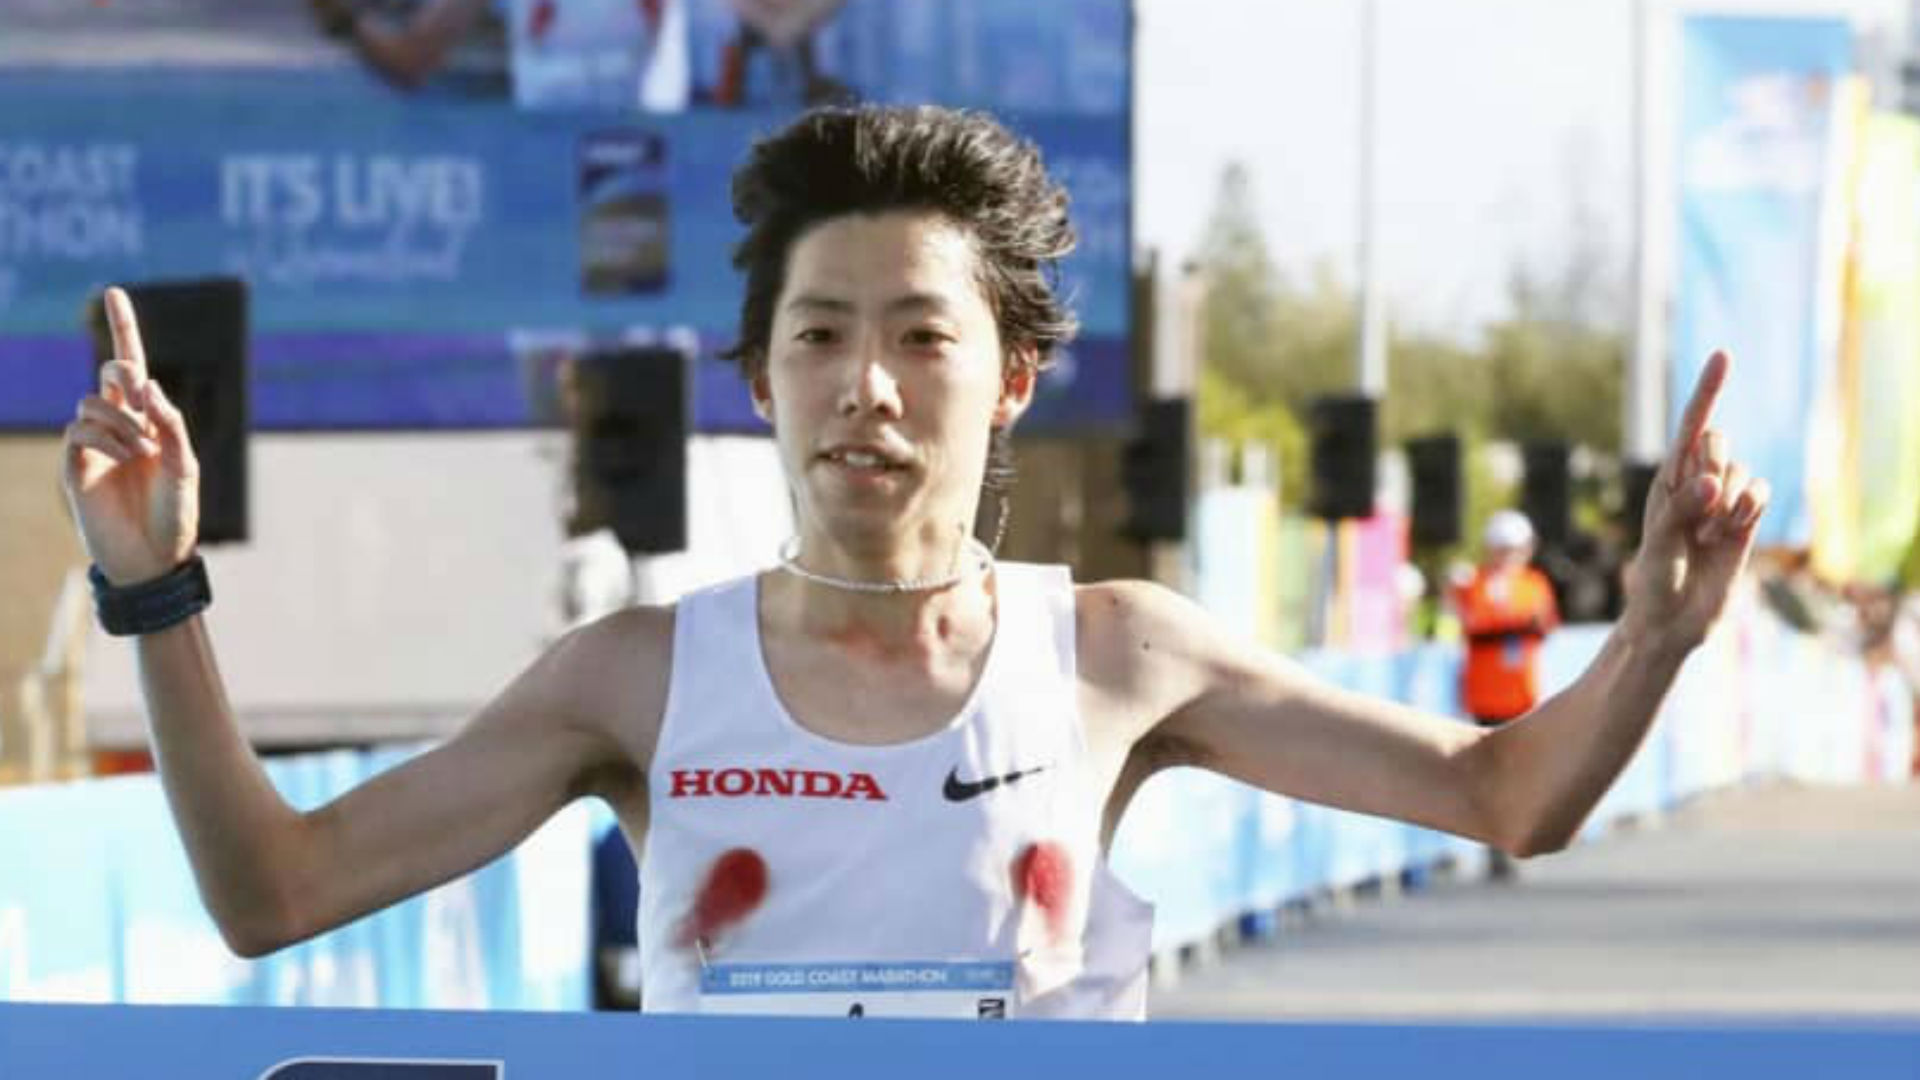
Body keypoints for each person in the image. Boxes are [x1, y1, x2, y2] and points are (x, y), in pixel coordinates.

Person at [61, 104, 1769, 1020]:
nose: (866, 387)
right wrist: (155, 589)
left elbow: (1501, 798)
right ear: (760, 378)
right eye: (819, 336)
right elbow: (271, 895)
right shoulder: (636, 676)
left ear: (1011, 375)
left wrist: (1661, 636)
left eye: (920, 337)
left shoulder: (1116, 654)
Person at [1449, 510, 1560, 880]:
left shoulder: (1534, 582)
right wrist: (1513, 625)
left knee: (1523, 772)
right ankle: (1496, 846)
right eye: (1502, 549)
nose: (1509, 557)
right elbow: (1473, 625)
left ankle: (1516, 838)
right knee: (1493, 774)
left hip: (1523, 694)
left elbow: (1543, 624)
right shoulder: (1475, 583)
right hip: (1485, 696)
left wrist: (1515, 626)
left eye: (1516, 549)